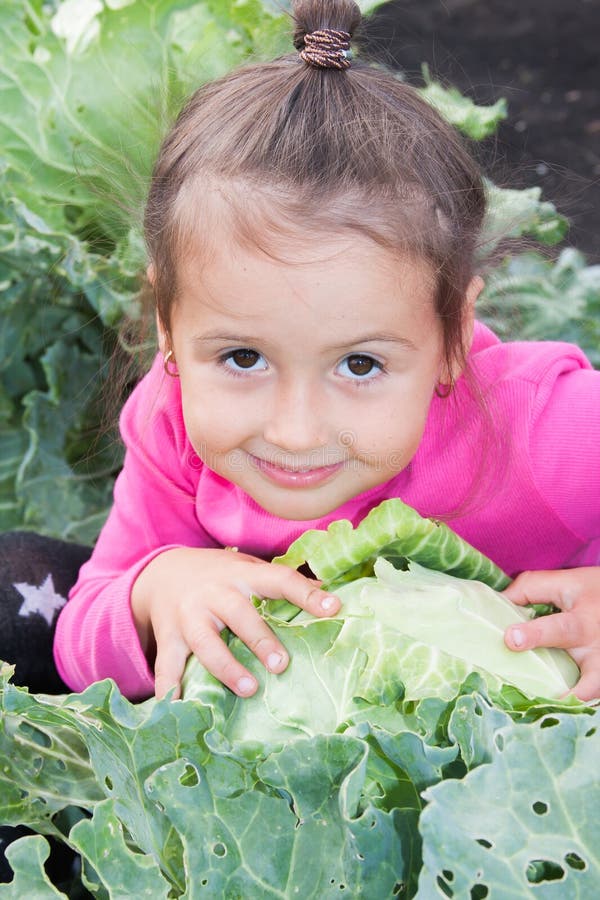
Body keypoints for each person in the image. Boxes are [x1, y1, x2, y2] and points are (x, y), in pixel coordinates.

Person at [5, 0, 600, 709]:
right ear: (166, 324)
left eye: (360, 365)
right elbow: (85, 629)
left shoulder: (549, 430)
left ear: (449, 339)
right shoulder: (173, 428)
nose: (295, 431)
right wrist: (154, 588)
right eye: (243, 359)